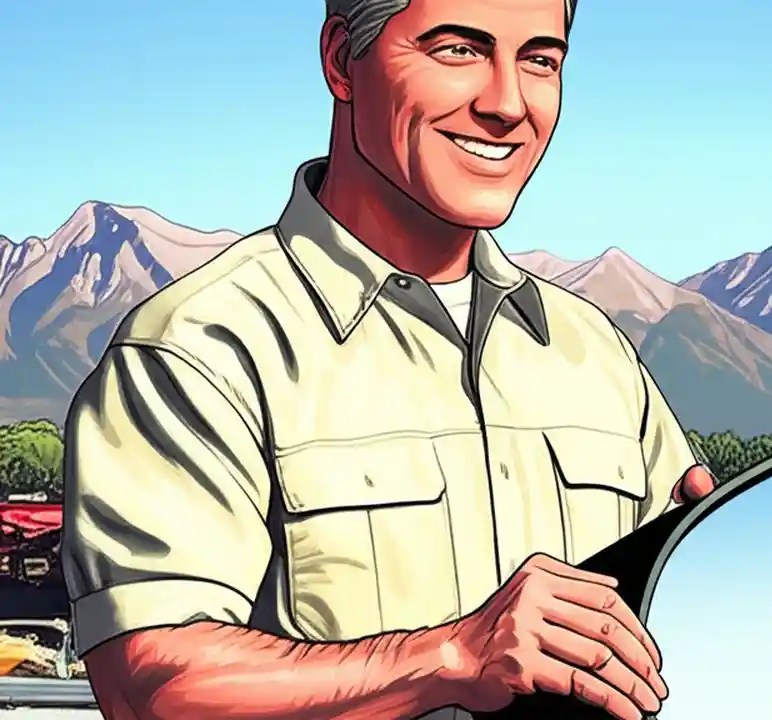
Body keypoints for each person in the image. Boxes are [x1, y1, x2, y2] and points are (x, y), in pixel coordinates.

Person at [60, 2, 715, 719]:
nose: (507, 104)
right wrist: (449, 658)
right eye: (459, 50)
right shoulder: (198, 350)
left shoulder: (595, 353)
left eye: (540, 60)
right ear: (343, 61)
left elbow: (680, 624)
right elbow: (150, 686)